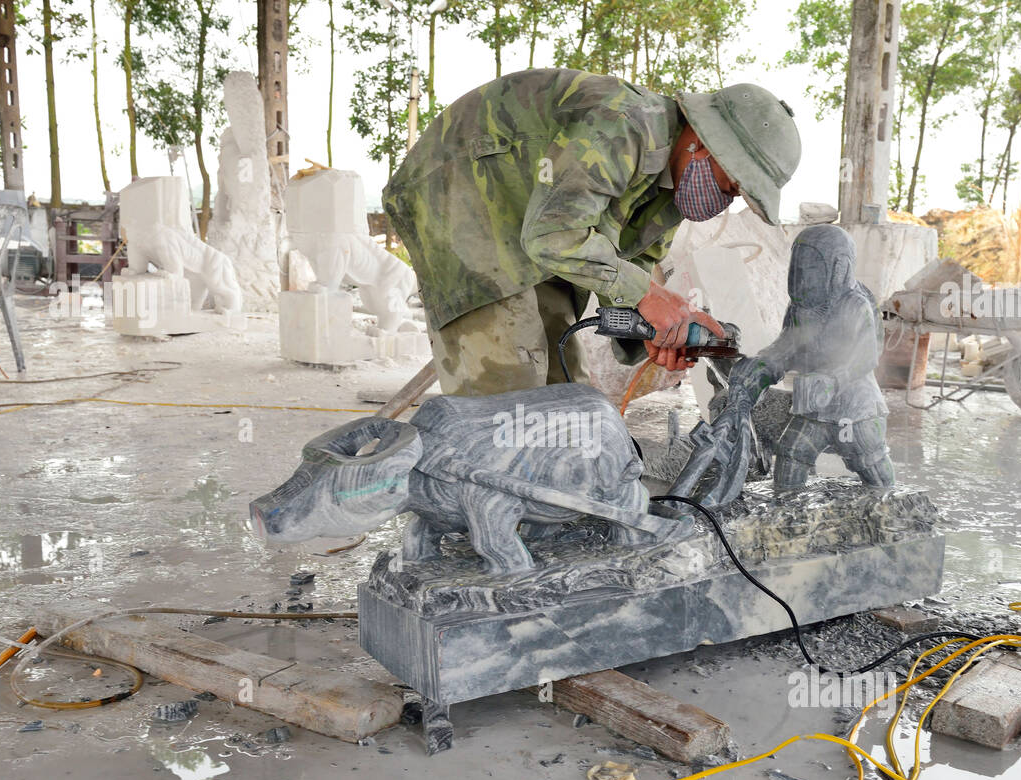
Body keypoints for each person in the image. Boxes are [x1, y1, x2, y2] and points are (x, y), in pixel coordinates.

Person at [382, 67, 801, 396]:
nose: (726, 199)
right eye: (730, 183)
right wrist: (650, 298)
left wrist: (658, 327)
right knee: (508, 386)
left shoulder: (670, 191)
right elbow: (553, 237)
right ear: (705, 143)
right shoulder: (624, 126)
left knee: (566, 388)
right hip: (462, 191)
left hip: (531, 224)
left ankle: (548, 496)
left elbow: (632, 267)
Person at [677, 224, 894, 504]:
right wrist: (761, 367)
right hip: (813, 408)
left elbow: (864, 356)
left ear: (839, 267)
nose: (801, 273)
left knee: (872, 465)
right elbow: (787, 347)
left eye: (811, 264)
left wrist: (833, 379)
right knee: (791, 455)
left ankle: (894, 511)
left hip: (857, 409)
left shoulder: (855, 305)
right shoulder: (800, 309)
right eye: (798, 262)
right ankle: (789, 518)